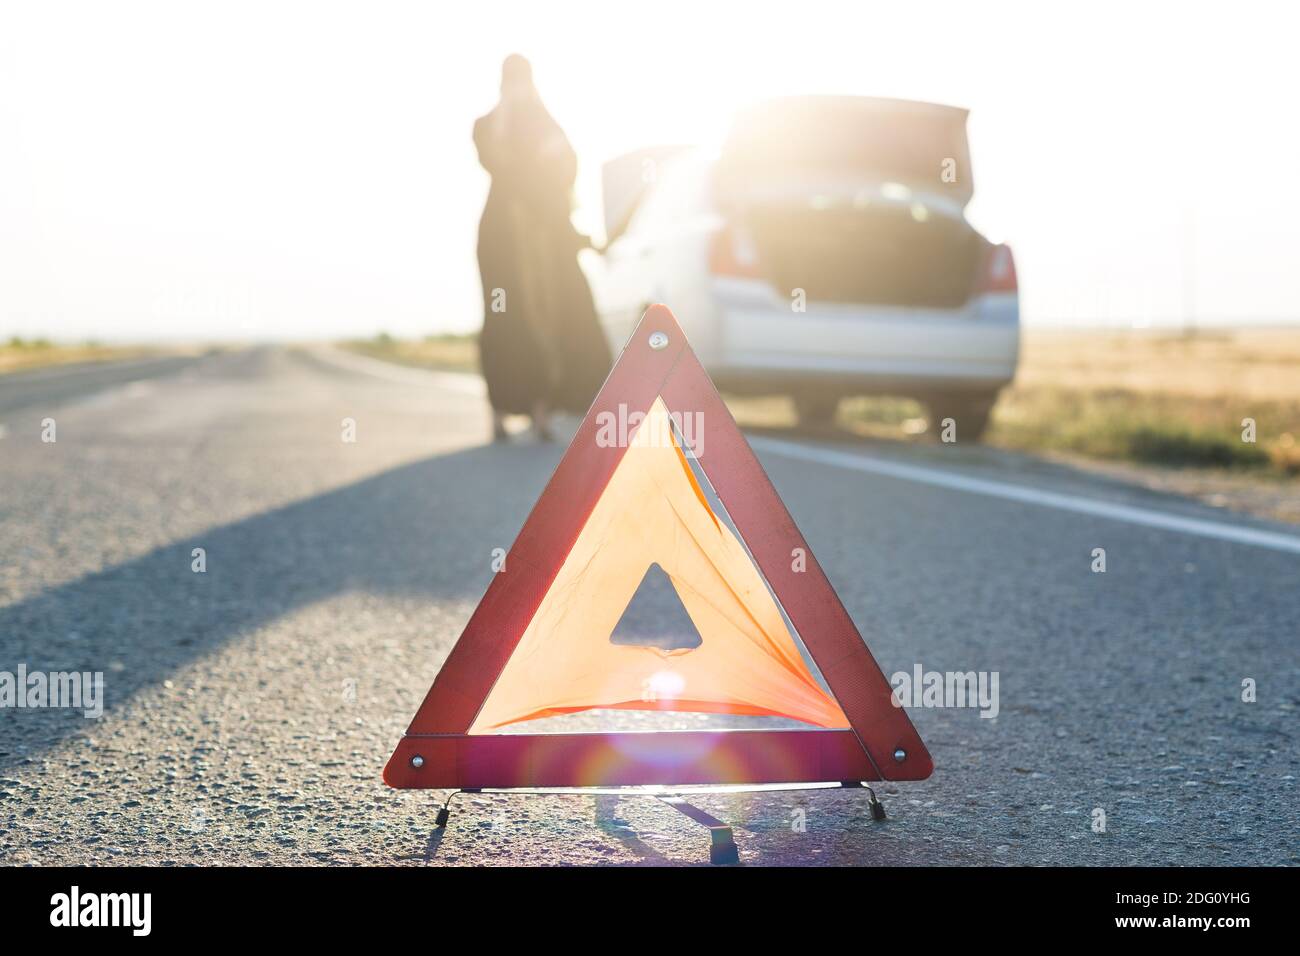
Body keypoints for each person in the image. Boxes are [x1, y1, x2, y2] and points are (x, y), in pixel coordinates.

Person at [473, 54, 612, 441]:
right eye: (511, 81)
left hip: (546, 241)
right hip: (501, 241)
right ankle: (499, 413)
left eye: (523, 81)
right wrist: (505, 109)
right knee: (503, 320)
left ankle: (543, 411)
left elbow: (567, 167)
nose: (519, 89)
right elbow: (493, 158)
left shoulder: (547, 125)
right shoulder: (488, 123)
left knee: (552, 319)